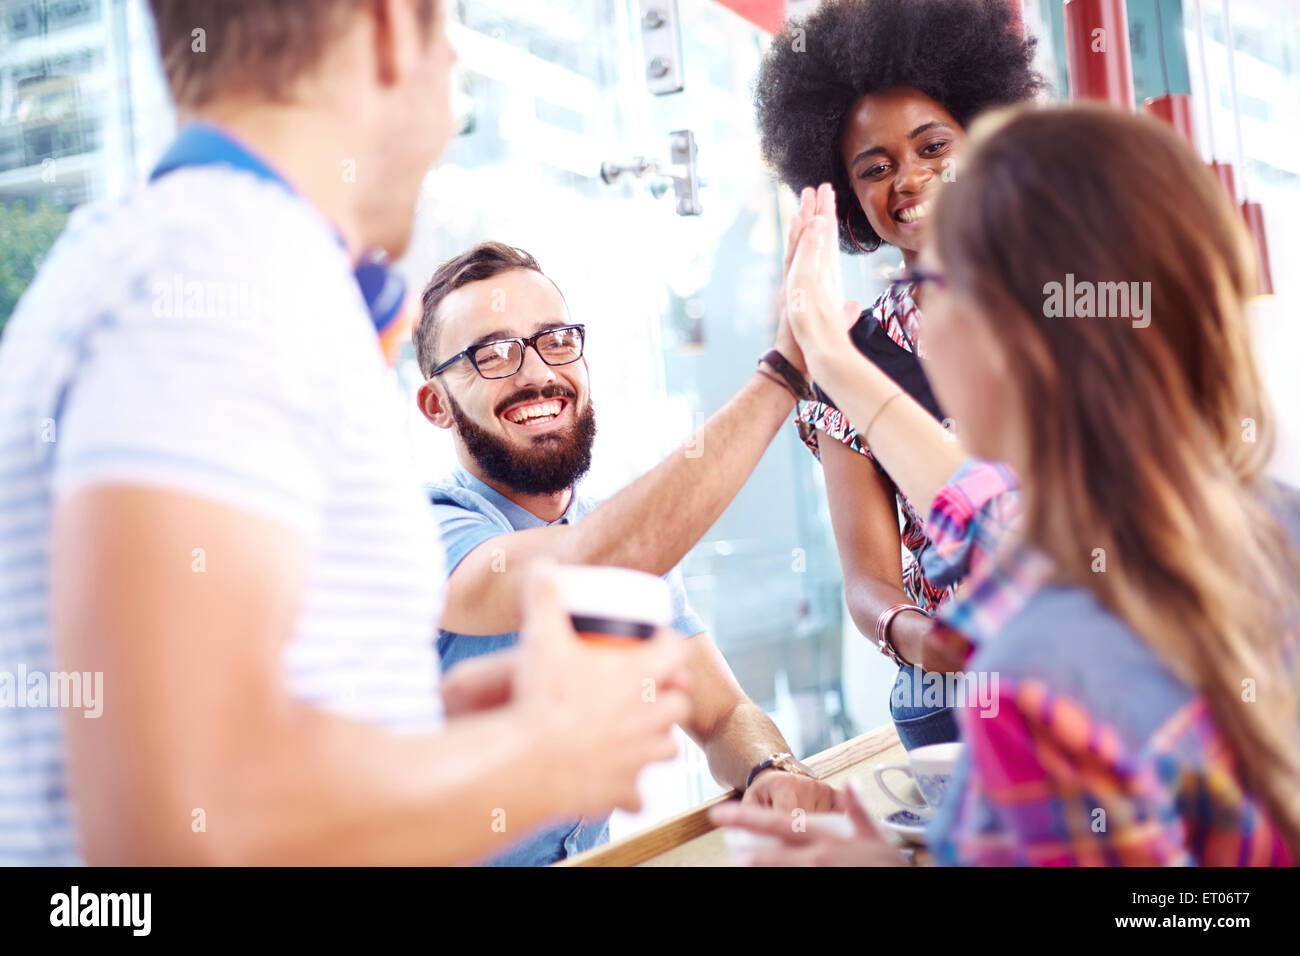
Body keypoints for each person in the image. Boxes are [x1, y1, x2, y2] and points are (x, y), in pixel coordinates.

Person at [0, 0, 693, 866]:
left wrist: (433, 733)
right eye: (452, 49)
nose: (452, 107)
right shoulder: (221, 277)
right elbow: (174, 827)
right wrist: (542, 762)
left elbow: (233, 746)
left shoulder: (178, 258)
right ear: (389, 26)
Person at [713, 105, 1300, 865]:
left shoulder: (1038, 676)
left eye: (941, 281)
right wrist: (827, 350)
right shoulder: (1263, 523)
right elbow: (990, 517)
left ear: (1010, 337)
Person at [413, 241, 842, 864]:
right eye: (494, 354)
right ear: (436, 407)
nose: (537, 374)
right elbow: (588, 563)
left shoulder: (617, 537)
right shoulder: (424, 533)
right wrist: (782, 377)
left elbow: (721, 715)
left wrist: (769, 769)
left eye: (555, 340)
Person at [752, 0, 1043, 749]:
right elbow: (866, 581)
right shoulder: (851, 352)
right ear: (849, 198)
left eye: (931, 146)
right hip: (956, 699)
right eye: (875, 168)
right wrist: (921, 639)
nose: (908, 179)